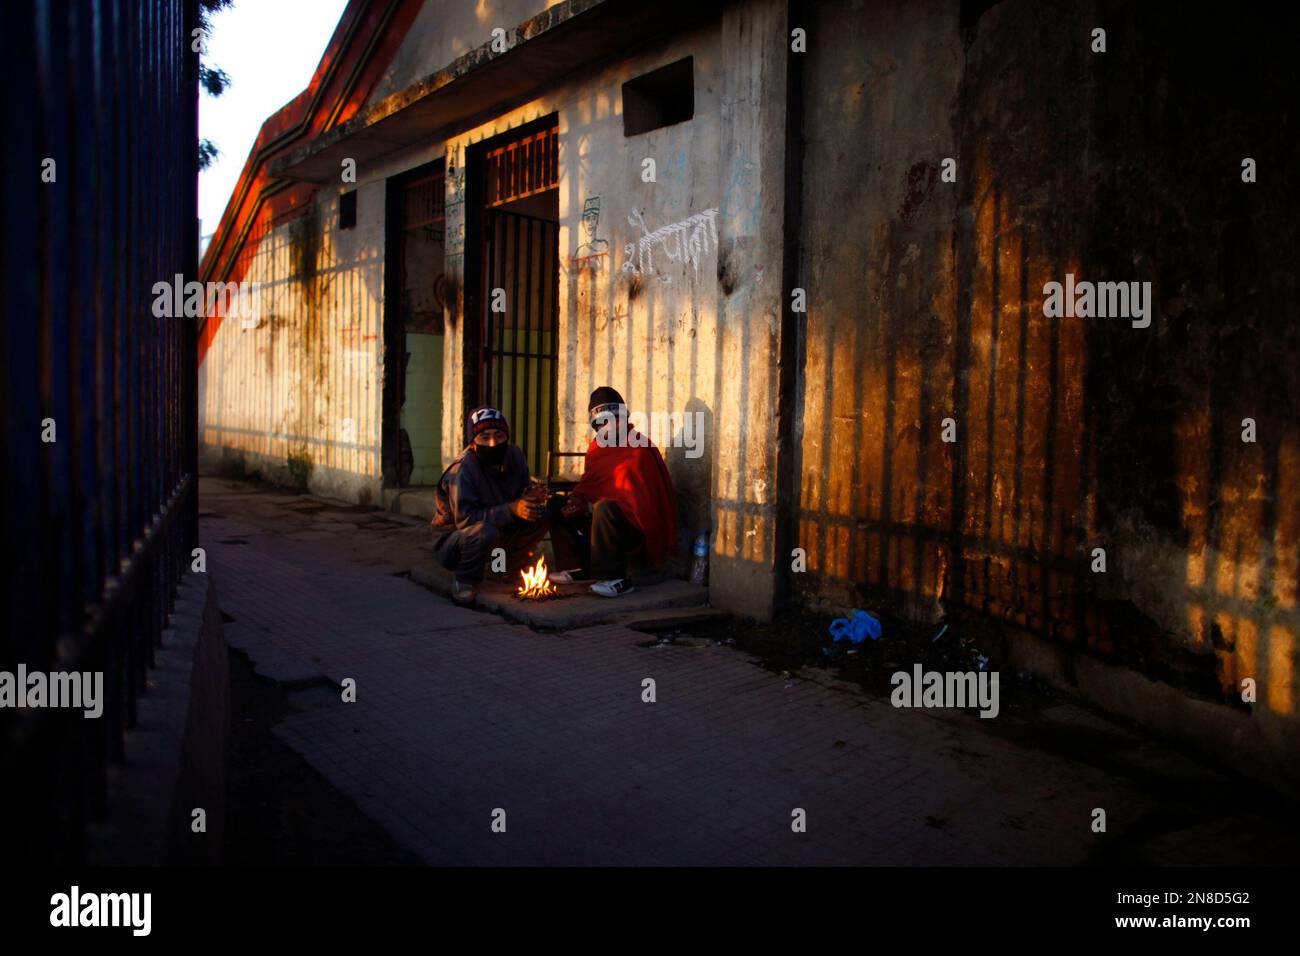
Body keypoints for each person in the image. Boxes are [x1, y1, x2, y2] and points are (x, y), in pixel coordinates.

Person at [547, 388, 679, 597]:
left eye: (612, 419)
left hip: (632, 528)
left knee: (605, 508)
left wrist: (591, 505)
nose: (607, 426)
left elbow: (643, 505)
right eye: (600, 423)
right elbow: (590, 484)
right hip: (599, 520)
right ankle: (577, 568)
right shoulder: (596, 448)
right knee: (556, 504)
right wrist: (577, 500)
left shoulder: (639, 448)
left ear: (623, 418)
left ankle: (615, 578)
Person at [431, 406, 548, 604]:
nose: (493, 443)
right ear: (474, 442)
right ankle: (465, 580)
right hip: (457, 542)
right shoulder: (463, 469)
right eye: (484, 437)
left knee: (541, 515)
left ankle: (501, 570)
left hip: (499, 531)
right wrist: (512, 508)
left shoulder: (514, 455)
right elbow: (466, 521)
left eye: (499, 436)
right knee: (484, 532)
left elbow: (523, 490)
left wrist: (531, 497)